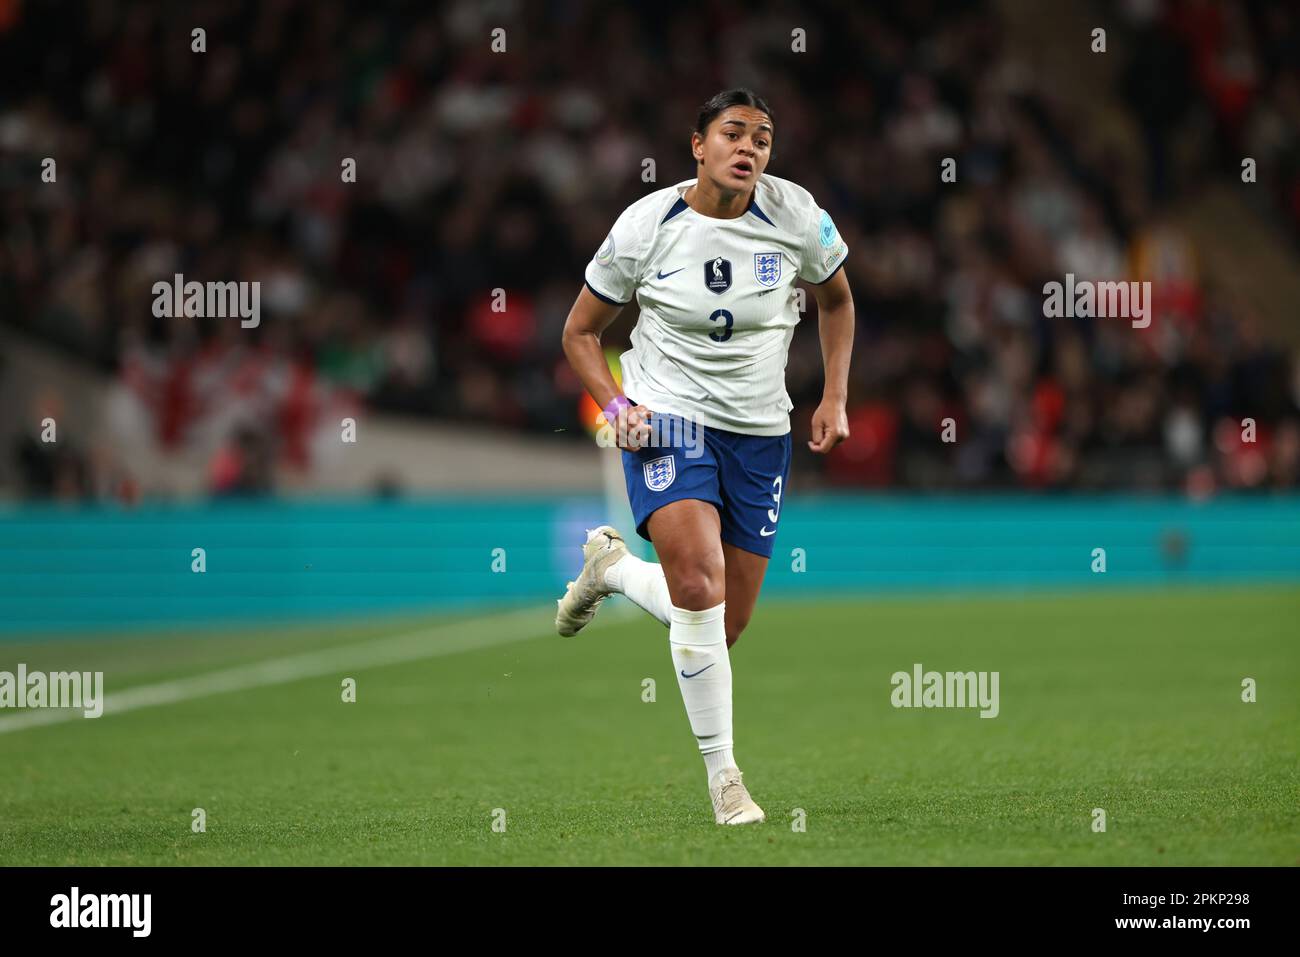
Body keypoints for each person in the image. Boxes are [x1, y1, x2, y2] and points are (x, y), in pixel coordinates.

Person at [557, 88, 855, 825]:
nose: (749, 148)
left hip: (760, 432)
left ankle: (615, 570)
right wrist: (618, 406)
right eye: (733, 133)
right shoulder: (646, 225)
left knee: (722, 625)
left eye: (762, 137)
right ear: (698, 144)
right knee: (696, 583)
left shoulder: (795, 216)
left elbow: (839, 301)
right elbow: (580, 332)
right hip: (669, 420)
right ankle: (727, 780)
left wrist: (835, 396)